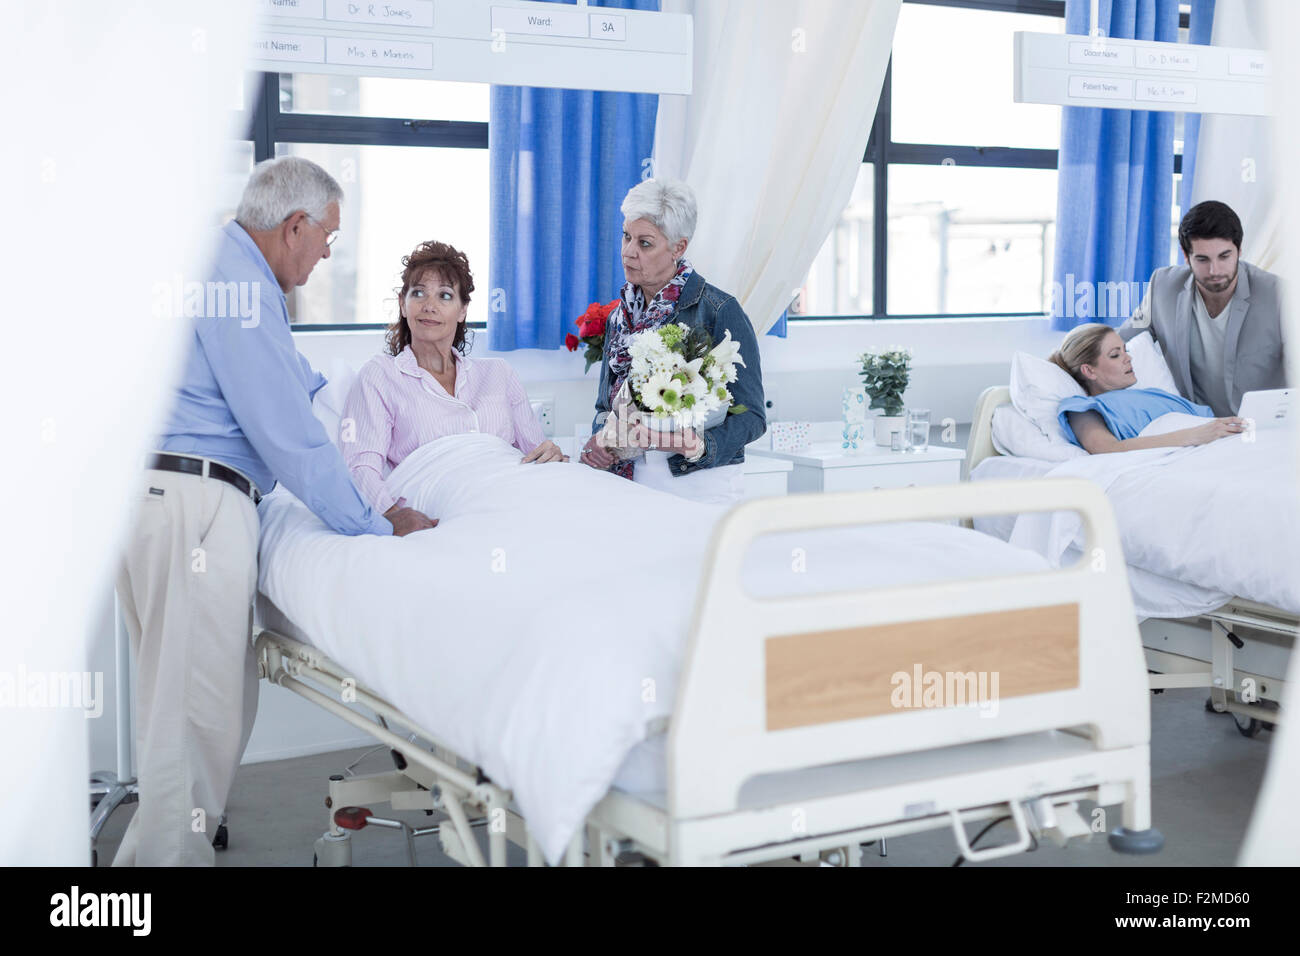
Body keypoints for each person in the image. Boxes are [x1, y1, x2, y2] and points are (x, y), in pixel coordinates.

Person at [115, 157, 434, 867]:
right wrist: (376, 522)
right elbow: (287, 433)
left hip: (160, 498)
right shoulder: (238, 287)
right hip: (196, 502)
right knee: (195, 717)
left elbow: (298, 384)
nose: (327, 254)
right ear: (294, 226)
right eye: (328, 238)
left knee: (182, 710)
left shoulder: (225, 271)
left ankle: (155, 856)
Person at [578, 178, 766, 503]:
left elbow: (752, 417)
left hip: (697, 484)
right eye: (626, 237)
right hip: (628, 482)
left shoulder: (719, 310)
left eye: (645, 243)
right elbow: (604, 407)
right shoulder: (618, 317)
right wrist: (602, 441)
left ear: (678, 248)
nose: (628, 252)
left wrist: (695, 444)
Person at [342, 240, 566, 513]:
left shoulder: (498, 373)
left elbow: (536, 452)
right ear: (403, 304)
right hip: (439, 510)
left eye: (445, 296)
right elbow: (359, 466)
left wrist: (551, 454)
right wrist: (391, 516)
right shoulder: (379, 376)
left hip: (511, 497)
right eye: (418, 293)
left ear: (463, 311)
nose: (429, 306)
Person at [1118, 200, 1286, 416]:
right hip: (1195, 425)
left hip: (1258, 427)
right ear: (1186, 255)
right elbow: (1121, 341)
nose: (1214, 270)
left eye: (1224, 256)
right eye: (1202, 259)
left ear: (1239, 249)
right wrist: (1070, 358)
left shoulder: (1279, 294)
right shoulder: (1162, 285)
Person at [1050, 323, 1246, 454]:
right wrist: (1194, 435)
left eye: (1125, 350)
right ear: (1089, 371)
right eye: (1115, 355)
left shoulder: (1153, 394)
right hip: (1190, 451)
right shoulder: (1082, 407)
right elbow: (1106, 448)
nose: (1128, 358)